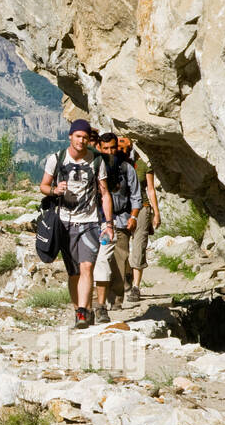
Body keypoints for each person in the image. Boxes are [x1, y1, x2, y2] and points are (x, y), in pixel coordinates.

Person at [39, 119, 115, 328]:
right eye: (78, 136)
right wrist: (55, 190)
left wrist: (108, 223)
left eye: (85, 137)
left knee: (87, 266)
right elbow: (44, 186)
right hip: (64, 222)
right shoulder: (56, 159)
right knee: (73, 272)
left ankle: (83, 311)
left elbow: (105, 193)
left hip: (90, 222)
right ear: (70, 136)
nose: (82, 140)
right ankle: (79, 311)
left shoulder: (97, 162)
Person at [93, 133, 141, 320]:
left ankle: (116, 298)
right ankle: (99, 301)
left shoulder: (126, 169)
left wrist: (134, 217)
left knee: (120, 259)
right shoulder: (94, 167)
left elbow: (136, 196)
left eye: (113, 148)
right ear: (99, 148)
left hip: (120, 220)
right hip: (97, 221)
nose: (110, 151)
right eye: (106, 149)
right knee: (99, 261)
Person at [123, 138, 160, 305]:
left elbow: (150, 190)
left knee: (139, 246)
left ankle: (136, 287)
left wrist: (156, 213)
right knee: (121, 248)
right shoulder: (115, 165)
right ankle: (125, 278)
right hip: (123, 210)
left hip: (143, 209)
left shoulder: (144, 165)